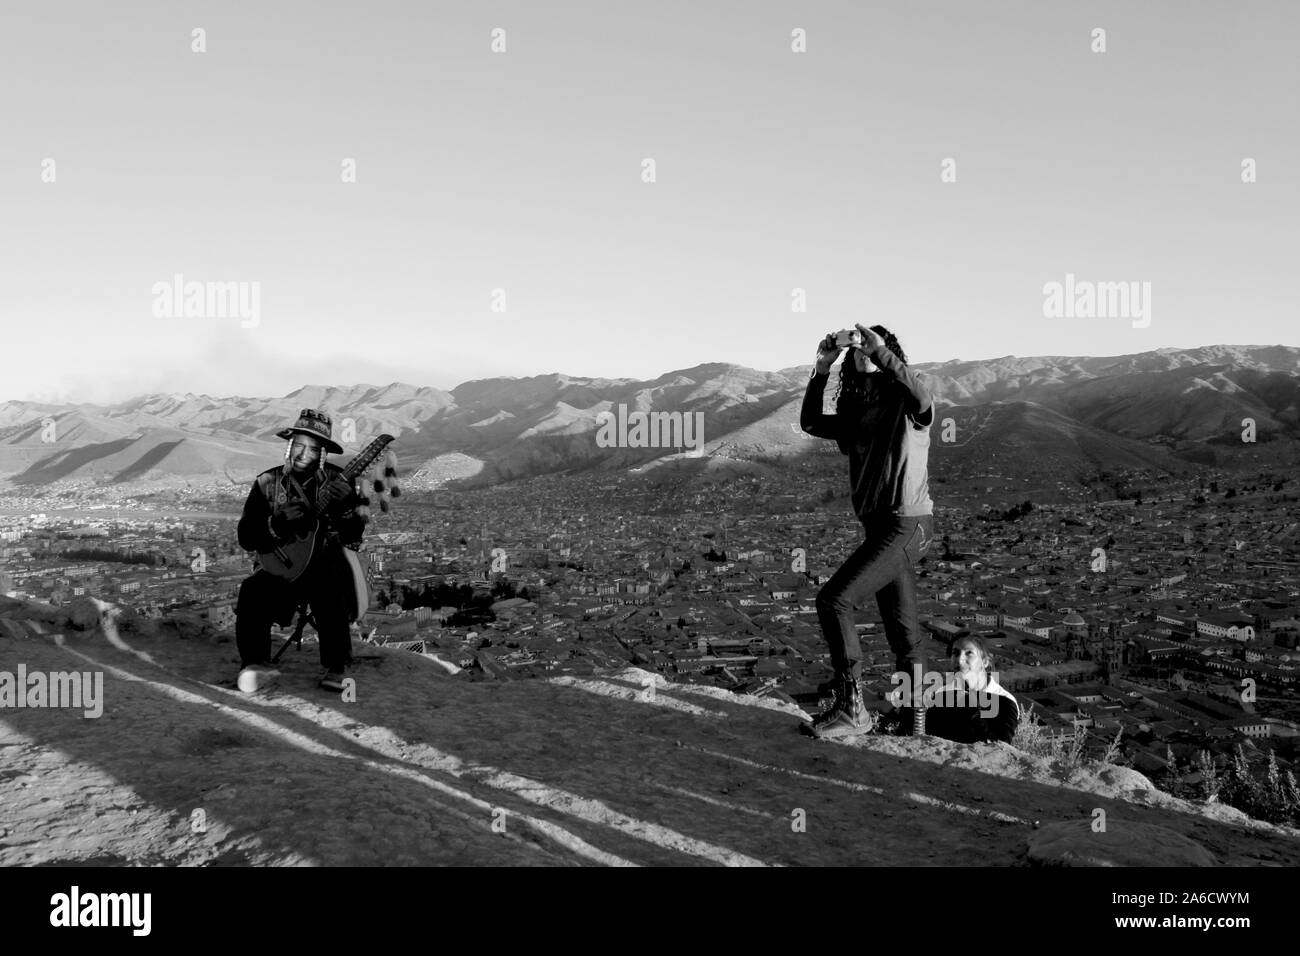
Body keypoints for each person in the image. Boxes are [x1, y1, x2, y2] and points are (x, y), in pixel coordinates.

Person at [800, 324, 935, 739]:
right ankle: (914, 724)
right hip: (881, 528)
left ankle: (851, 709)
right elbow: (809, 423)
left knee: (834, 600)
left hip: (907, 524)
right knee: (904, 632)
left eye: (868, 345)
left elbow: (923, 396)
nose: (860, 351)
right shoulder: (856, 412)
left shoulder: (907, 401)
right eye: (855, 349)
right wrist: (822, 369)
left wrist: (881, 355)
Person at [234, 408, 365, 692]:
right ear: (289, 447)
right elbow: (246, 537)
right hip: (280, 569)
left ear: (322, 454)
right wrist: (277, 523)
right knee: (252, 590)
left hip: (324, 568)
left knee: (332, 582)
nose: (303, 454)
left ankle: (336, 665)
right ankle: (255, 664)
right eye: (298, 446)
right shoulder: (266, 484)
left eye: (312, 449)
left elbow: (355, 536)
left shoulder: (339, 482)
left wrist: (345, 508)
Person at [924, 635, 1020, 744]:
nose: (959, 660)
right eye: (955, 653)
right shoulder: (942, 693)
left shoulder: (1005, 701)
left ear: (985, 662)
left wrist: (971, 708)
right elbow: (931, 737)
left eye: (969, 653)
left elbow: (1000, 747)